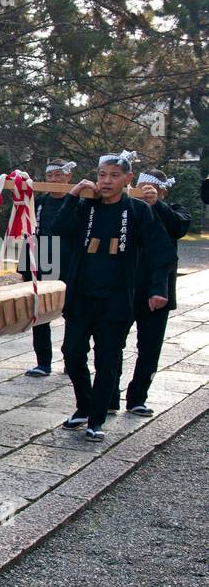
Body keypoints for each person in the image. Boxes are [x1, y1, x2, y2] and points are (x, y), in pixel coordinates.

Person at [48, 150, 176, 440]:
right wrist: (74, 193)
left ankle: (96, 419)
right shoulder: (86, 207)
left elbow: (161, 252)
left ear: (128, 179)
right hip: (82, 295)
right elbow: (58, 228)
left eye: (114, 176)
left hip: (117, 297)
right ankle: (84, 404)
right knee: (72, 352)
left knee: (107, 359)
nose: (106, 181)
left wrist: (159, 289)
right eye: (102, 175)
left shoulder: (139, 210)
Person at [109, 169, 190, 416]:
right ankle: (109, 396)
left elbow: (179, 228)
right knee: (112, 344)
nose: (144, 192)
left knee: (149, 347)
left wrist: (158, 205)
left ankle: (137, 398)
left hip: (158, 290)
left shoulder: (174, 211)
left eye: (151, 188)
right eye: (140, 187)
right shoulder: (125, 208)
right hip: (124, 288)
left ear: (163, 191)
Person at [23, 159, 78, 377]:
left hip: (69, 261)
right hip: (43, 259)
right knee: (41, 314)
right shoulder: (40, 202)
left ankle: (71, 359)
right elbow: (29, 234)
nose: (54, 180)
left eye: (58, 175)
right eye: (50, 176)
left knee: (72, 314)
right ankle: (43, 362)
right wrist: (26, 269)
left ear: (68, 177)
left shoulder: (77, 202)